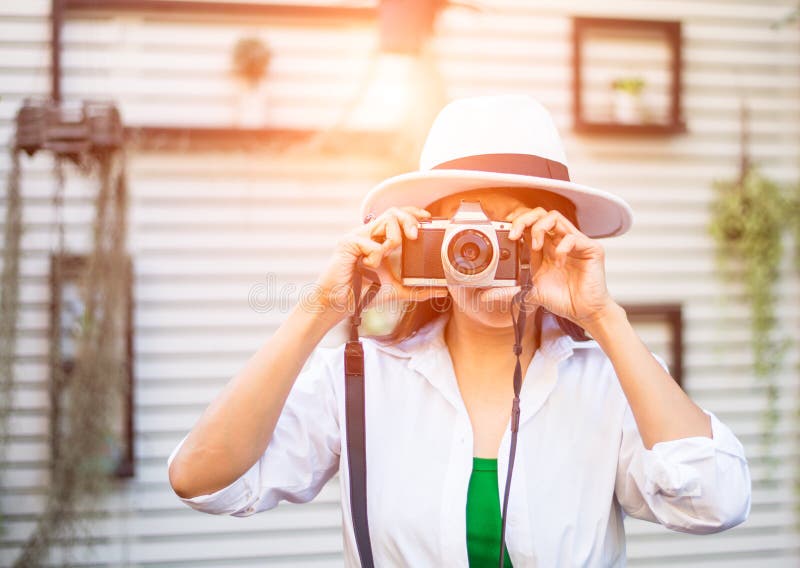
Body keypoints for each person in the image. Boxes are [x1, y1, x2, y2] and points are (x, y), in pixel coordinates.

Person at [167, 95, 751, 567]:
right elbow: (202, 479)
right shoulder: (360, 379)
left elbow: (716, 501)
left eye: (514, 232)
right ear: (429, 243)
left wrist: (603, 317)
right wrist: (323, 305)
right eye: (468, 234)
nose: (484, 253)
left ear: (557, 239)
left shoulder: (608, 384)